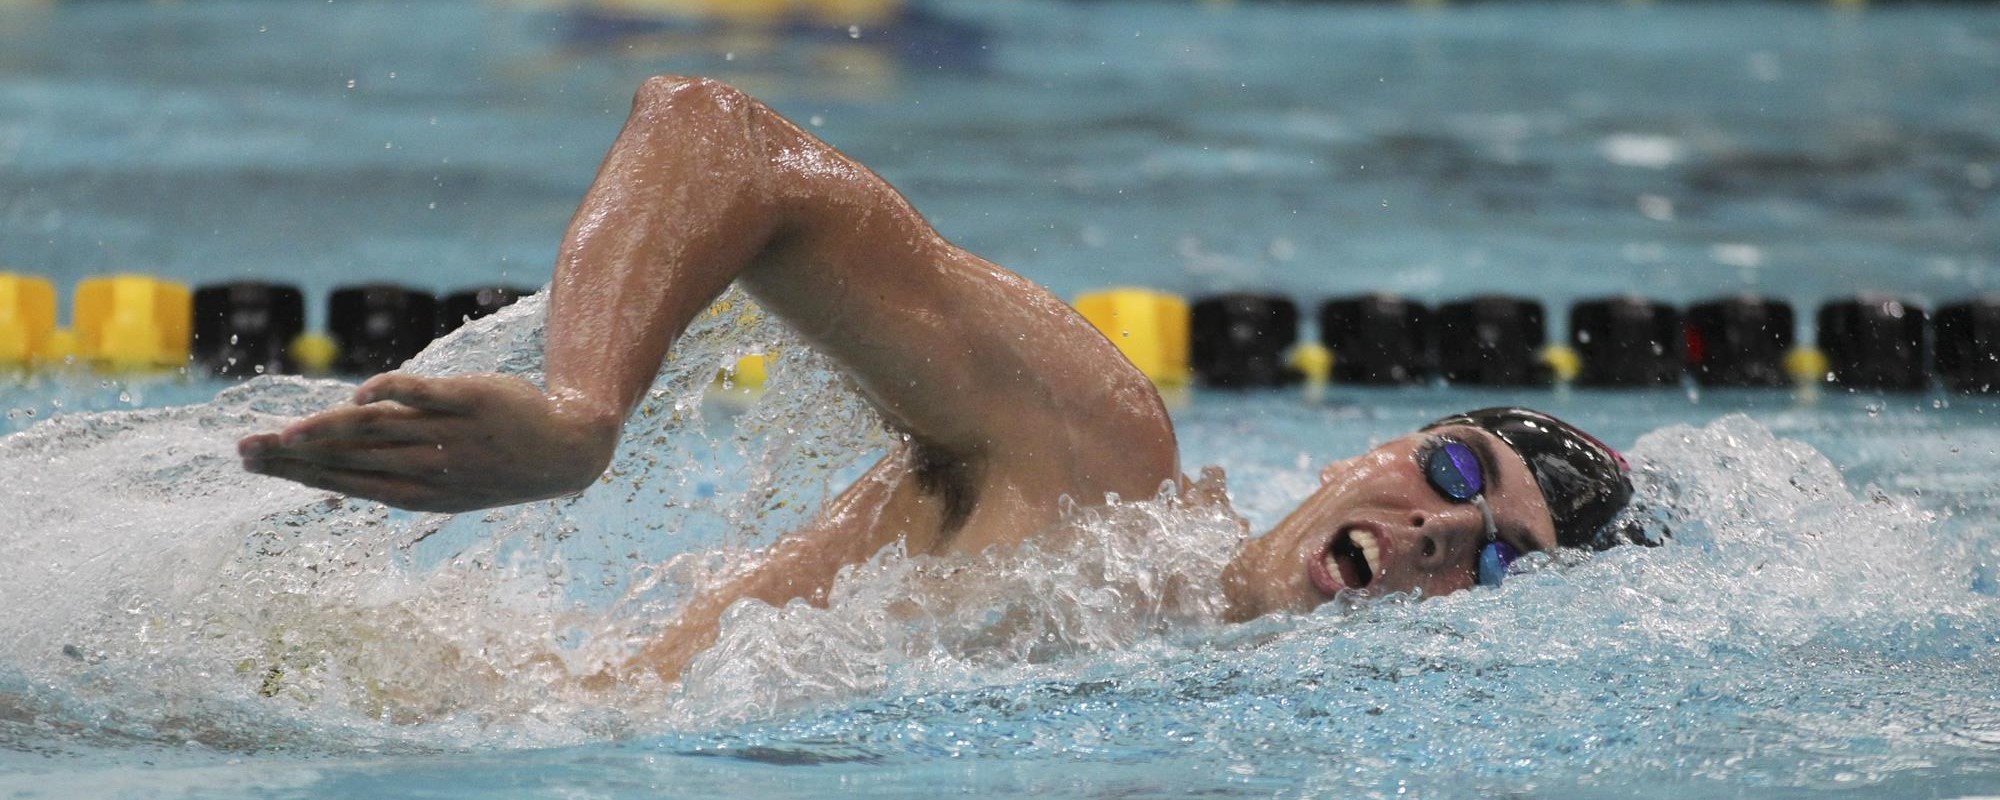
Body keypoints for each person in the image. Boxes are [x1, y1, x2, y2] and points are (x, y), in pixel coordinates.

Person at [236, 75, 1635, 683]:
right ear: (1367, 454)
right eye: (1456, 476)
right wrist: (583, 415)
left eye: (1496, 564)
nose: (1446, 532)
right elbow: (720, 138)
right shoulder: (1096, 470)